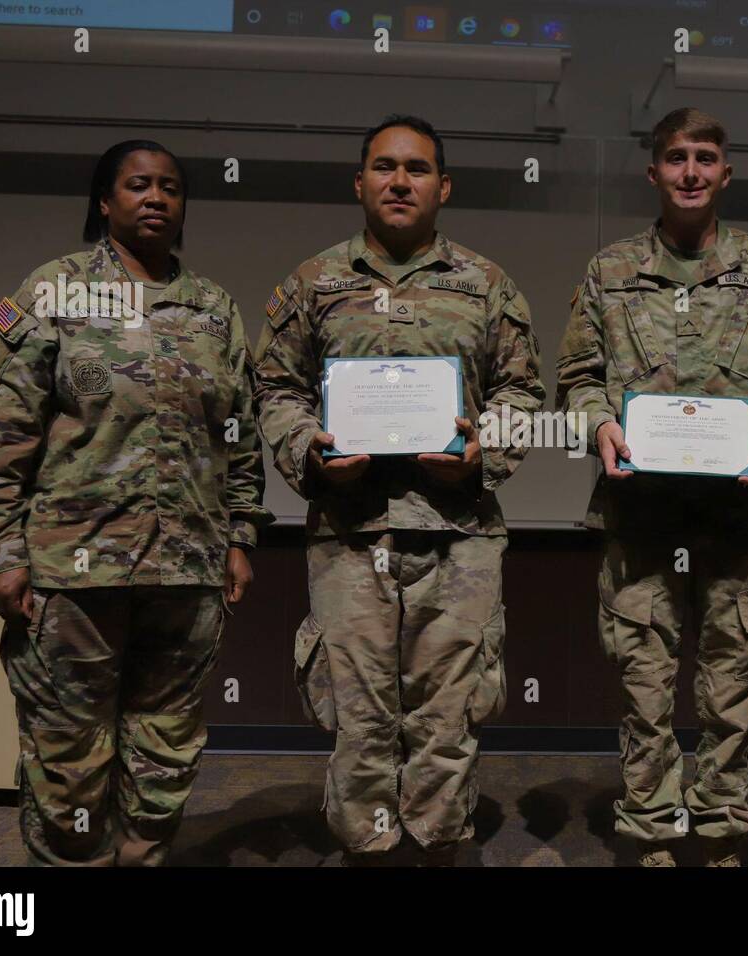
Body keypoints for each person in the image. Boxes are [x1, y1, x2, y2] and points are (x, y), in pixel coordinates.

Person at [0, 139, 271, 866]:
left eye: (169, 187)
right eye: (137, 185)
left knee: (164, 758)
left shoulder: (214, 311)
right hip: (71, 578)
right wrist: (2, 554)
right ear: (105, 201)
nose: (155, 198)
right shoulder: (51, 292)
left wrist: (240, 536)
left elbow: (240, 436)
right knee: (68, 761)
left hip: (186, 577)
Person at [253, 114, 545, 865]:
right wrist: (307, 452)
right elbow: (275, 390)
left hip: (460, 535)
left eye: (417, 169)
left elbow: (523, 393)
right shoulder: (313, 284)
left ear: (442, 187)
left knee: (448, 717)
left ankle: (438, 849)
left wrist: (483, 452)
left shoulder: (485, 285)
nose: (399, 181)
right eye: (384, 167)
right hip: (349, 536)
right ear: (360, 182)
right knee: (361, 717)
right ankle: (367, 852)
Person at [556, 108, 748, 867]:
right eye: (676, 157)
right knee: (644, 692)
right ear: (654, 172)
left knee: (734, 692)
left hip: (738, 521)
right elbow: (577, 381)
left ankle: (721, 836)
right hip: (641, 520)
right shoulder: (609, 272)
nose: (692, 171)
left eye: (706, 157)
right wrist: (600, 427)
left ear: (726, 172)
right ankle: (650, 835)